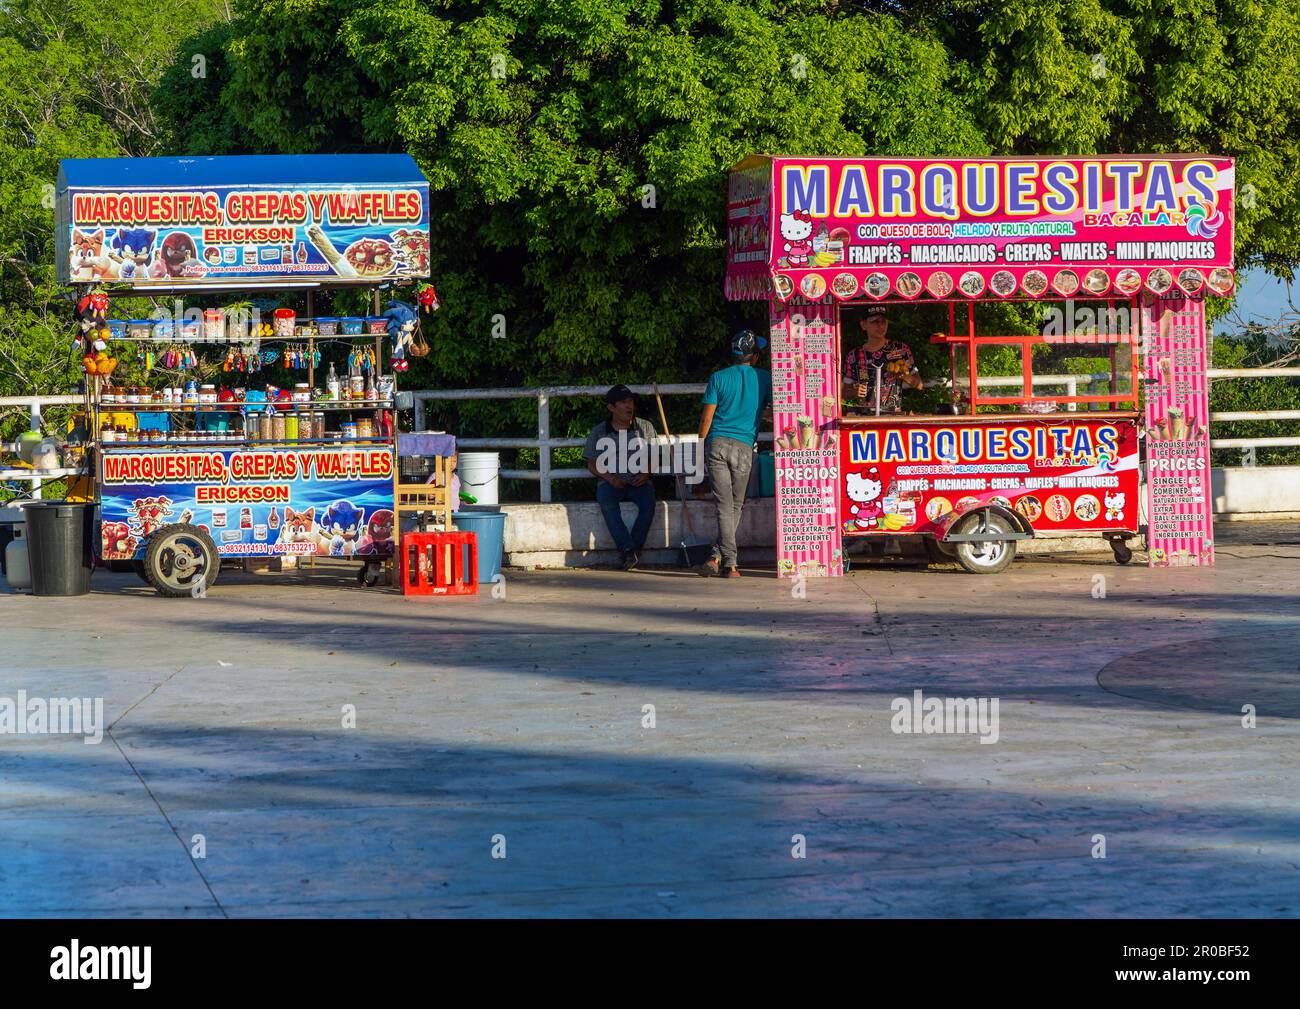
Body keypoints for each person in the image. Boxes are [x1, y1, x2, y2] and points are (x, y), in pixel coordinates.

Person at [696, 329, 772, 578]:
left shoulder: (718, 378)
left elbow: (706, 419)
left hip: (717, 443)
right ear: (754, 356)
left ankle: (717, 556)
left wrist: (699, 448)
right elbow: (773, 414)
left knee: (723, 505)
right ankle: (730, 563)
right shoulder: (765, 379)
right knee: (735, 505)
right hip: (743, 447)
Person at [584, 384, 658, 570]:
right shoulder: (599, 431)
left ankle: (630, 551)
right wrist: (610, 478)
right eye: (623, 402)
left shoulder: (645, 427)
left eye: (631, 401)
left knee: (648, 504)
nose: (629, 406)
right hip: (610, 481)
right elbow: (591, 463)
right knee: (608, 505)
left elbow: (657, 455)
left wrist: (646, 473)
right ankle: (628, 550)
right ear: (611, 407)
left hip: (638, 479)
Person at [842, 306, 923, 415]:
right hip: (864, 417)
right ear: (863, 325)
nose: (880, 326)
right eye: (875, 322)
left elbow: (919, 385)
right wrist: (855, 391)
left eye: (883, 321)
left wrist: (903, 376)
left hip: (893, 416)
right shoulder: (854, 355)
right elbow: (843, 392)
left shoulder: (900, 350)